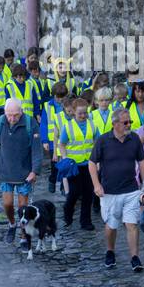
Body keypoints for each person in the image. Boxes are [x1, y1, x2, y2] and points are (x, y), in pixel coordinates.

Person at [88, 107, 144, 271]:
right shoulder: (103, 141)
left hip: (131, 190)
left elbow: (142, 162)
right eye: (125, 122)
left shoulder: (134, 139)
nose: (129, 125)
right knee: (111, 225)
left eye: (130, 122)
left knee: (132, 224)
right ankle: (110, 251)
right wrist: (96, 185)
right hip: (109, 192)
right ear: (115, 124)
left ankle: (135, 257)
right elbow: (92, 163)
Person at [0, 97, 42, 243]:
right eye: (9, 114)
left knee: (23, 206)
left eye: (16, 115)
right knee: (8, 204)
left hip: (24, 173)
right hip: (5, 171)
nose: (12, 118)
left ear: (21, 112)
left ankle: (24, 235)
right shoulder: (0, 123)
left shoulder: (30, 123)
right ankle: (11, 223)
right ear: (5, 112)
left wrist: (34, 171)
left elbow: (37, 150)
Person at [58, 92, 96, 230]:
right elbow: (62, 144)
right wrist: (65, 158)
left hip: (89, 165)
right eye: (80, 113)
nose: (83, 116)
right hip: (74, 166)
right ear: (73, 112)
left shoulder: (92, 125)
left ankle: (85, 221)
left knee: (88, 193)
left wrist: (97, 160)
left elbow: (96, 142)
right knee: (74, 192)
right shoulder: (67, 127)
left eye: (85, 113)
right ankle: (68, 211)